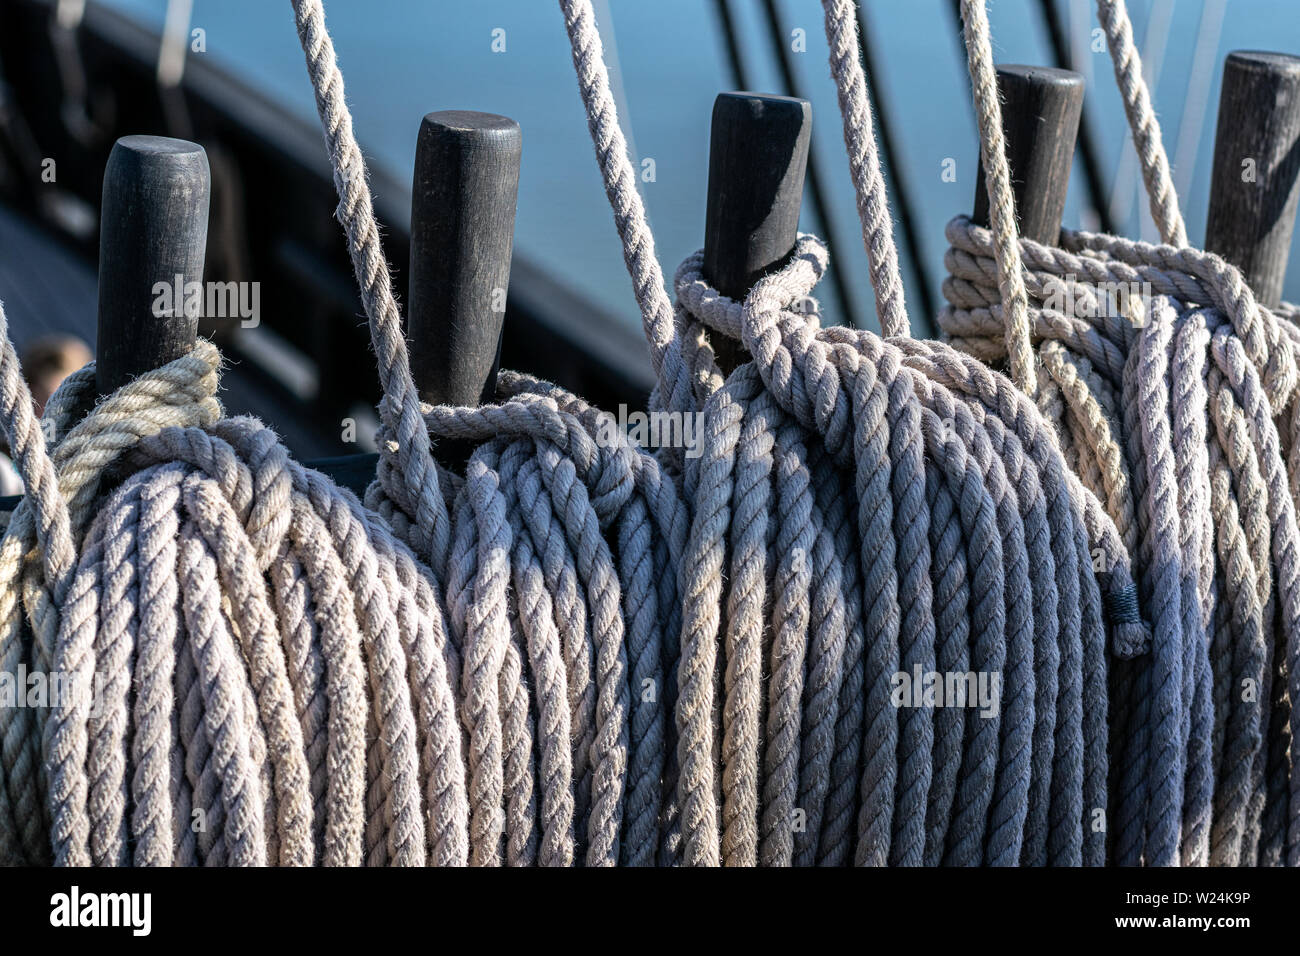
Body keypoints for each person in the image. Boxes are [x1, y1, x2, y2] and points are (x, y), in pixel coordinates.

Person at [0, 335, 93, 496]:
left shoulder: (91, 466)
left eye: (66, 404)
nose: (54, 412)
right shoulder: (5, 469)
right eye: (46, 400)